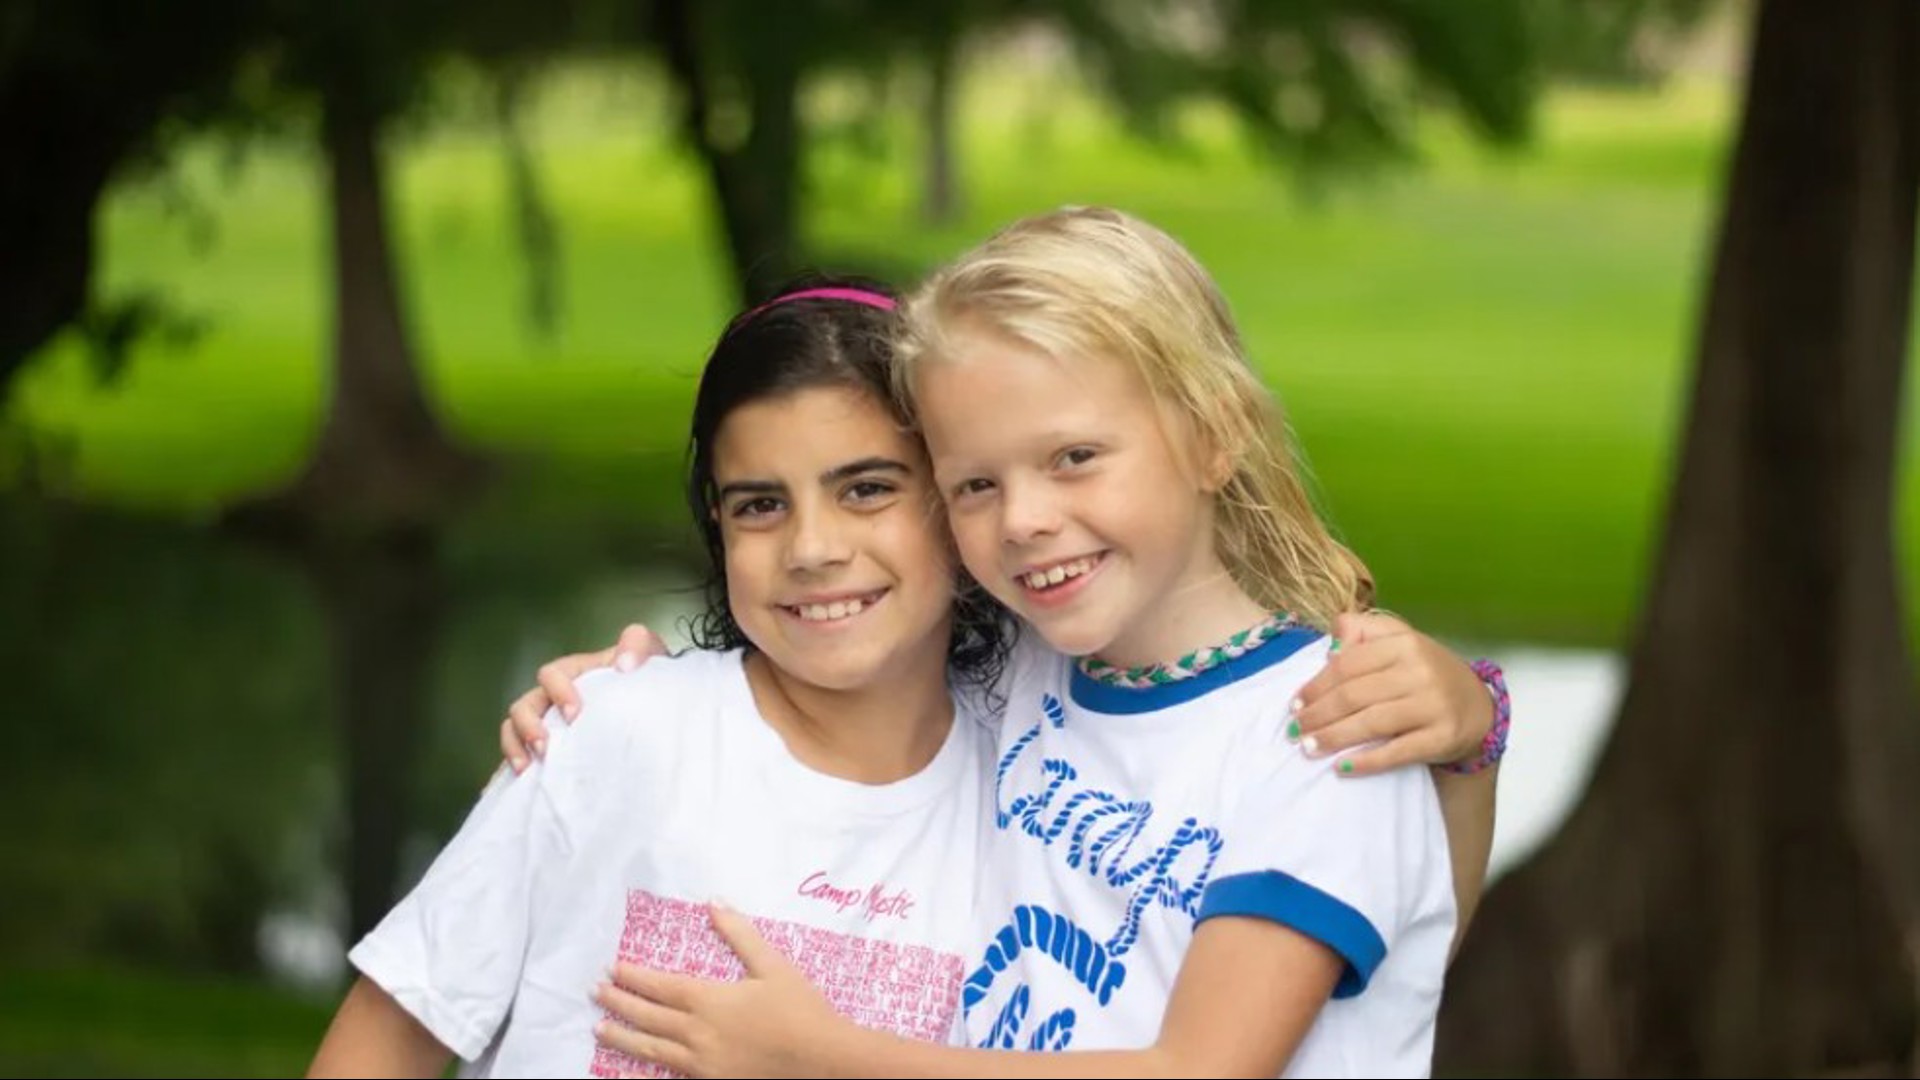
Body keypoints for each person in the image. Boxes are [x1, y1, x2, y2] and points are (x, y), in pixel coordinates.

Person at [567, 208, 1508, 1077]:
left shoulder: (1322, 731)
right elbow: (841, 671)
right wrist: (625, 704)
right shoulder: (1025, 673)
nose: (1023, 520)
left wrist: (822, 1056)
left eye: (1074, 459)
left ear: (1216, 434)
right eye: (974, 484)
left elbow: (1201, 1071)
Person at [308, 284, 1015, 1077]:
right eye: (760, 505)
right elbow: (386, 1039)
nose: (812, 547)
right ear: (716, 522)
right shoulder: (616, 733)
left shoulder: (1029, 799)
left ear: (959, 496)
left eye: (867, 489)